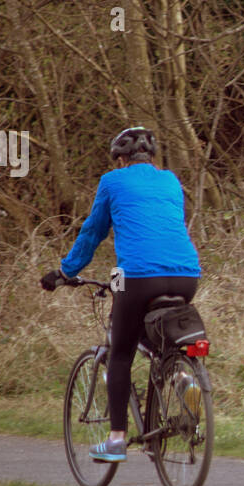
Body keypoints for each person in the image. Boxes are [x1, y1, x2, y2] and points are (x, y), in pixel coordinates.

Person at [40, 127, 201, 461]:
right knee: (162, 338)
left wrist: (66, 272)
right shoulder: (171, 181)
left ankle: (116, 440)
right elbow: (168, 225)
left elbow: (93, 232)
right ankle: (181, 374)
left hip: (136, 278)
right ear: (152, 158)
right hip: (187, 274)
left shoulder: (112, 182)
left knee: (121, 350)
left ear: (121, 160)